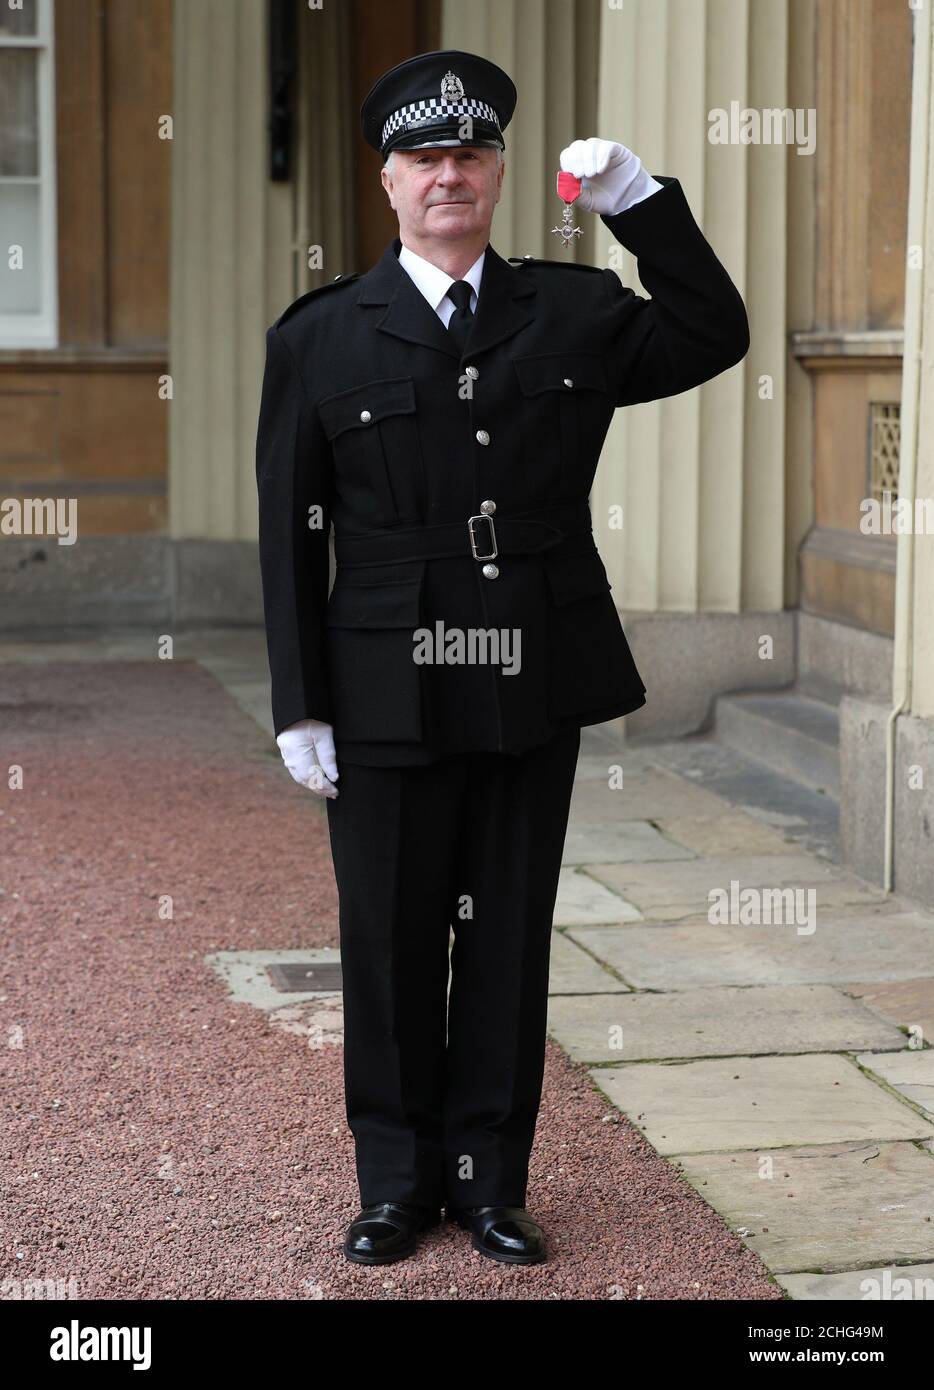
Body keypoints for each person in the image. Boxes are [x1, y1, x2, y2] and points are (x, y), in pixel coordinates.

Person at [255, 48, 749, 1266]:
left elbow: (714, 331)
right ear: (388, 182)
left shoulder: (572, 310)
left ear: (499, 172)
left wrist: (640, 204)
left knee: (508, 928)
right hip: (380, 677)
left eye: (469, 155)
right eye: (425, 159)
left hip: (531, 665)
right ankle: (392, 1183)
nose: (448, 177)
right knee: (385, 932)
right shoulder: (322, 336)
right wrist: (297, 703)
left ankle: (485, 1183)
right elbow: (289, 528)